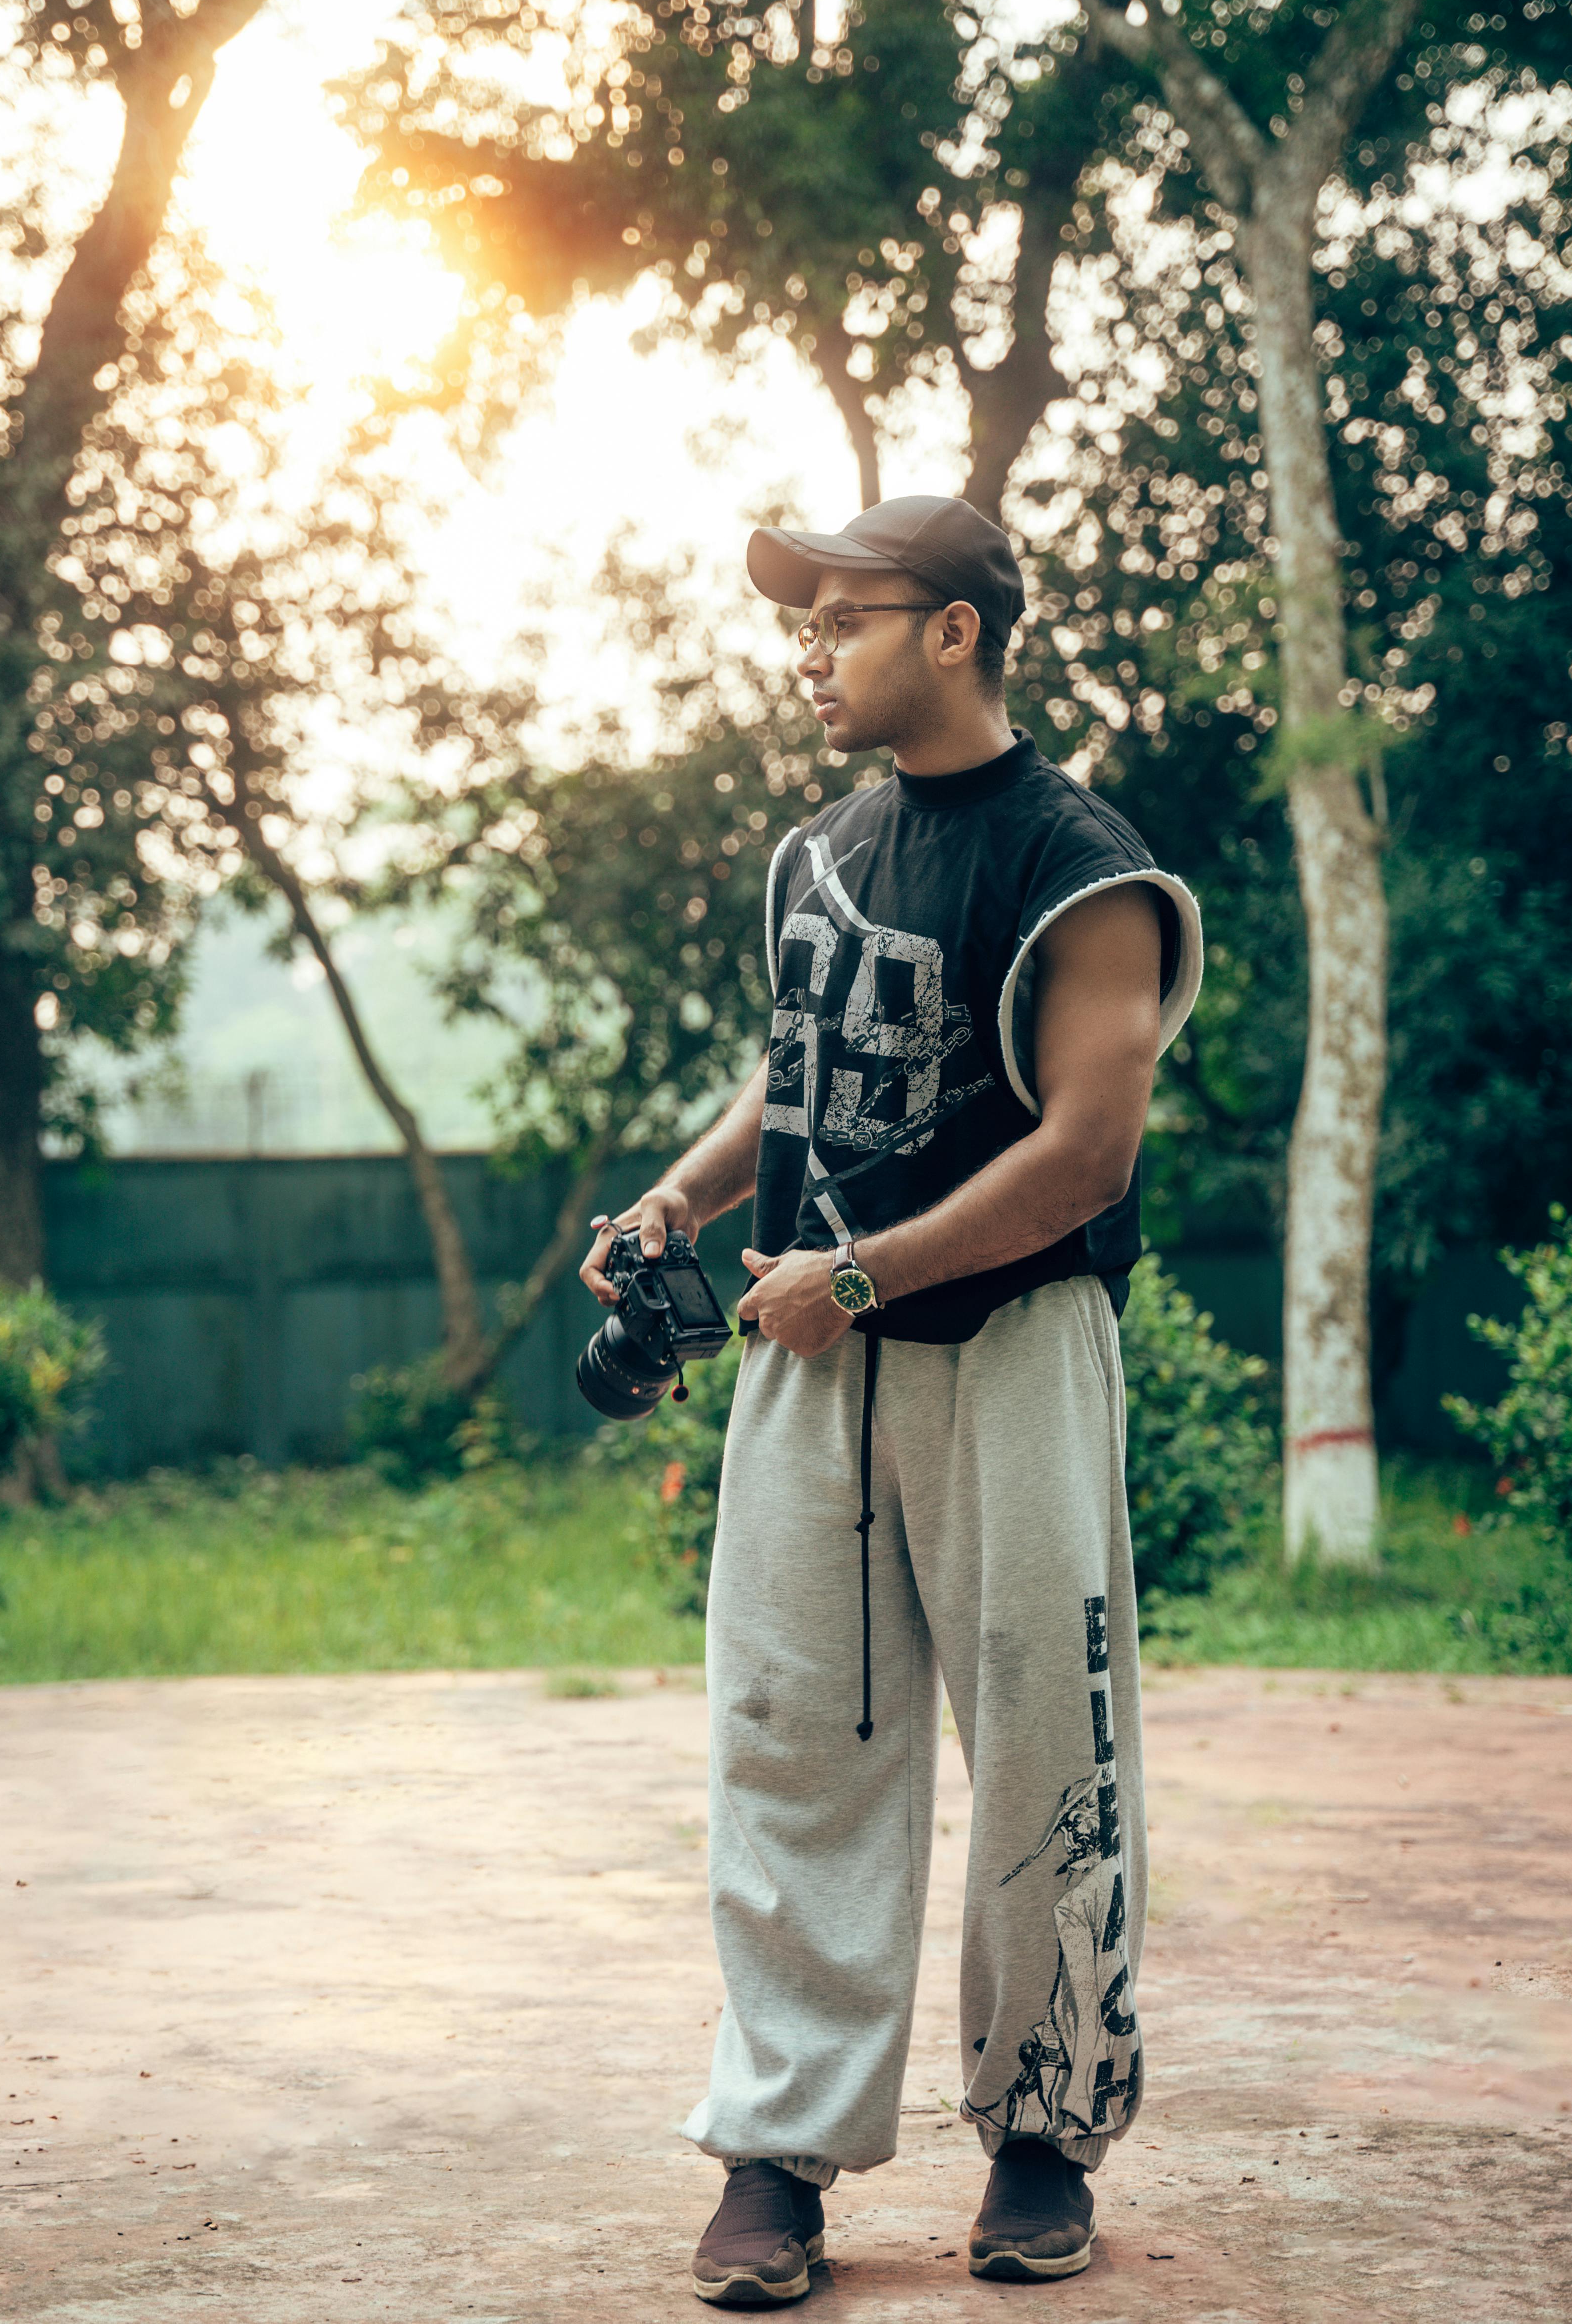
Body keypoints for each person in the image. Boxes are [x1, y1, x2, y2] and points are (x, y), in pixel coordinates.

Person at [580, 496, 1202, 2299]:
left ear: (954, 631)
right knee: (787, 1751)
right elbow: (797, 1072)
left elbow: (1086, 1153)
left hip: (1003, 1353)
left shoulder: (1081, 867)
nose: (808, 645)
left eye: (846, 615)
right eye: (807, 615)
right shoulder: (816, 851)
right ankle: (776, 2155)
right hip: (806, 1363)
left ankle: (1039, 2138)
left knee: (1042, 1753)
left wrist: (853, 1278)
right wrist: (680, 1203)